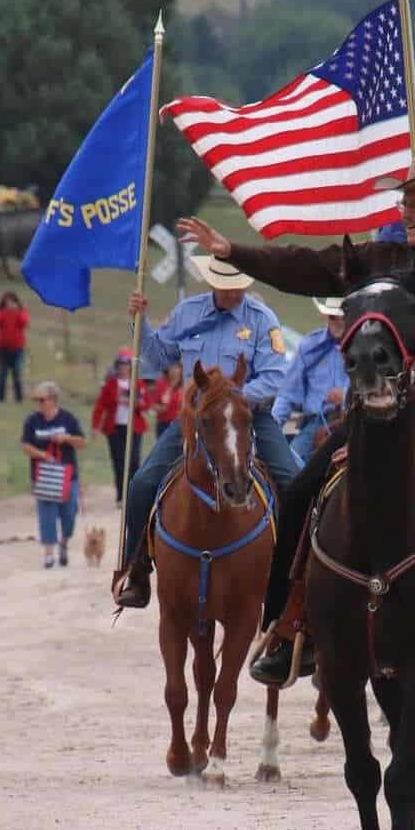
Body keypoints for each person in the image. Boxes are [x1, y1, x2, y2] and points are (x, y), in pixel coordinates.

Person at [177, 155, 415, 692]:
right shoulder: (380, 260)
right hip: (375, 416)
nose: (403, 210)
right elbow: (306, 267)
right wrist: (232, 252)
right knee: (300, 495)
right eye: (403, 201)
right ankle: (289, 625)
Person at [112, 255, 298, 608]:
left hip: (248, 415)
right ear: (212, 282)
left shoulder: (262, 320)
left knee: (293, 480)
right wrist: (141, 321)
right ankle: (136, 568)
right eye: (227, 288)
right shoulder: (187, 313)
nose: (235, 294)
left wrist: (232, 398)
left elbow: (275, 375)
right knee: (141, 483)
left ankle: (295, 575)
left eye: (239, 287)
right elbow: (155, 357)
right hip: (197, 420)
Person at [273, 296, 348, 464]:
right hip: (314, 424)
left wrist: (346, 398)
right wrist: (272, 425)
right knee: (292, 463)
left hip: (352, 421)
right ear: (326, 317)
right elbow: (288, 394)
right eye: (333, 317)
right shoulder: (309, 346)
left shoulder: (362, 347)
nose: (338, 322)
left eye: (343, 317)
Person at [20, 381, 86, 568]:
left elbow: (82, 442)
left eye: (42, 400)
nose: (39, 404)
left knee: (69, 512)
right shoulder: (32, 421)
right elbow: (24, 445)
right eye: (37, 400)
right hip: (43, 475)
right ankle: (49, 553)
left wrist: (66, 438)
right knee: (46, 514)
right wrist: (42, 455)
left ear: (53, 400)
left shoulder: (68, 419)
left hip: (67, 475)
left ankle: (64, 542)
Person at [91, 349, 149, 503]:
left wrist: (137, 403)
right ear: (117, 366)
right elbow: (100, 406)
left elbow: (146, 405)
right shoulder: (110, 385)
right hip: (115, 428)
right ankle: (120, 495)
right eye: (121, 364)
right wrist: (95, 426)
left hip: (134, 427)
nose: (123, 367)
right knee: (119, 461)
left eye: (126, 364)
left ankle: (134, 494)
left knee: (134, 460)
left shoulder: (138, 383)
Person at [0, 291, 30, 402]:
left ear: (16, 302)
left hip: (17, 349)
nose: (10, 304)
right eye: (7, 302)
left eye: (12, 302)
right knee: (1, 375)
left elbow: (24, 322)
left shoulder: (21, 312)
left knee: (17, 374)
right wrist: (6, 311)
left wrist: (16, 311)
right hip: (2, 349)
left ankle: (19, 399)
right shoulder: (1, 312)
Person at [147, 361, 184, 440]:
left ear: (181, 369)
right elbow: (151, 404)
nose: (174, 370)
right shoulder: (161, 383)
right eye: (172, 367)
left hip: (180, 425)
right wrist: (162, 408)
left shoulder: (185, 385)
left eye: (177, 367)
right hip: (164, 424)